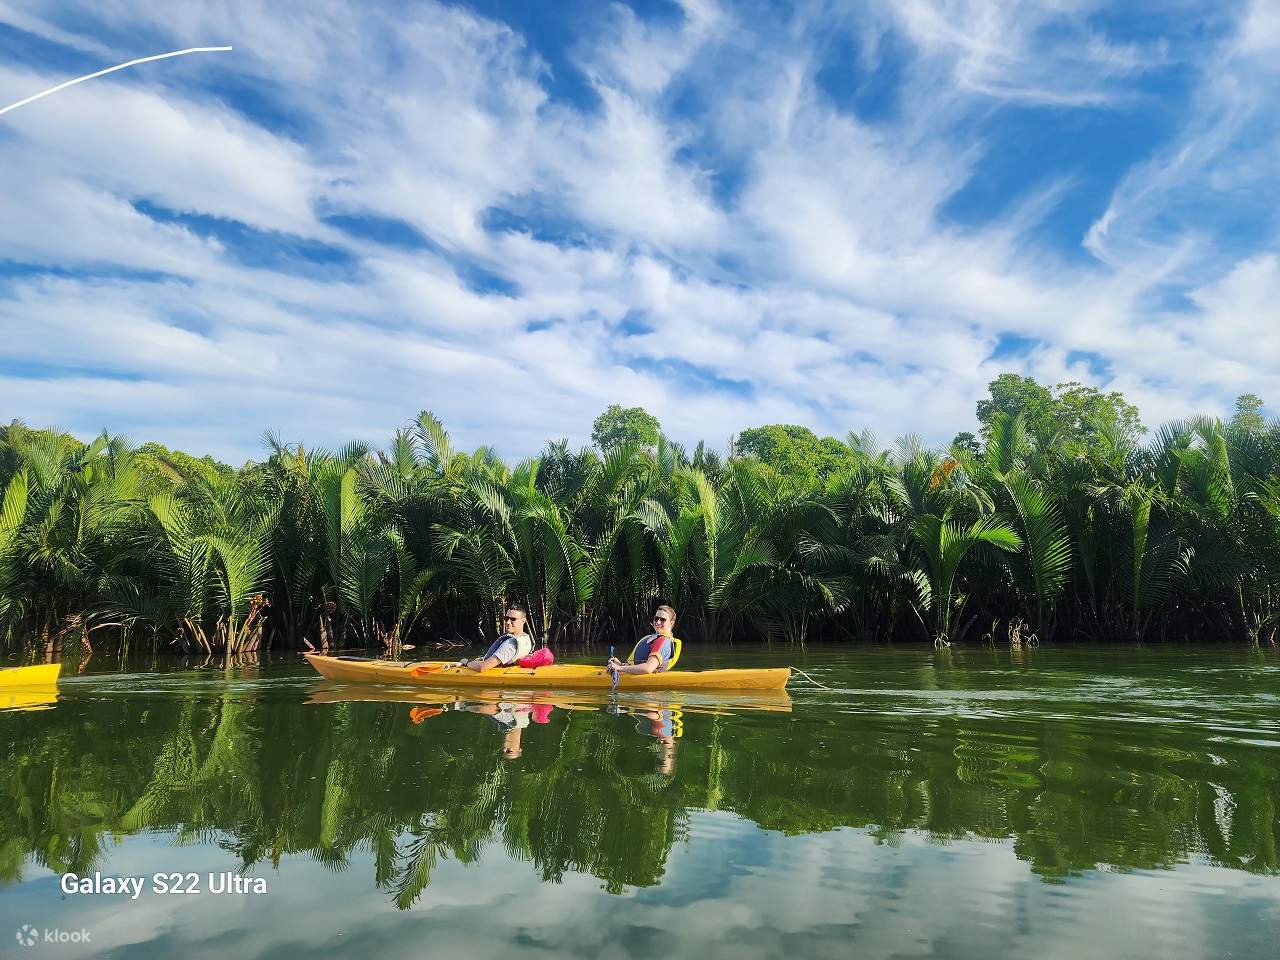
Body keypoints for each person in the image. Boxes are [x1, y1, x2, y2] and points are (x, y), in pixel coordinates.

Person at [459, 605, 534, 672]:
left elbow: (483, 667)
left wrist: (466, 662)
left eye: (513, 619)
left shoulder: (510, 644)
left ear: (523, 621)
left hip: (499, 675)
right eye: (506, 618)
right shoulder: (525, 638)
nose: (508, 622)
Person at [607, 605, 677, 675]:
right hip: (634, 675)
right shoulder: (656, 639)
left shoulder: (662, 641)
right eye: (656, 618)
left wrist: (619, 668)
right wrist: (620, 664)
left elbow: (648, 668)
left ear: (671, 623)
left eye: (662, 619)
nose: (658, 622)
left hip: (645, 679)